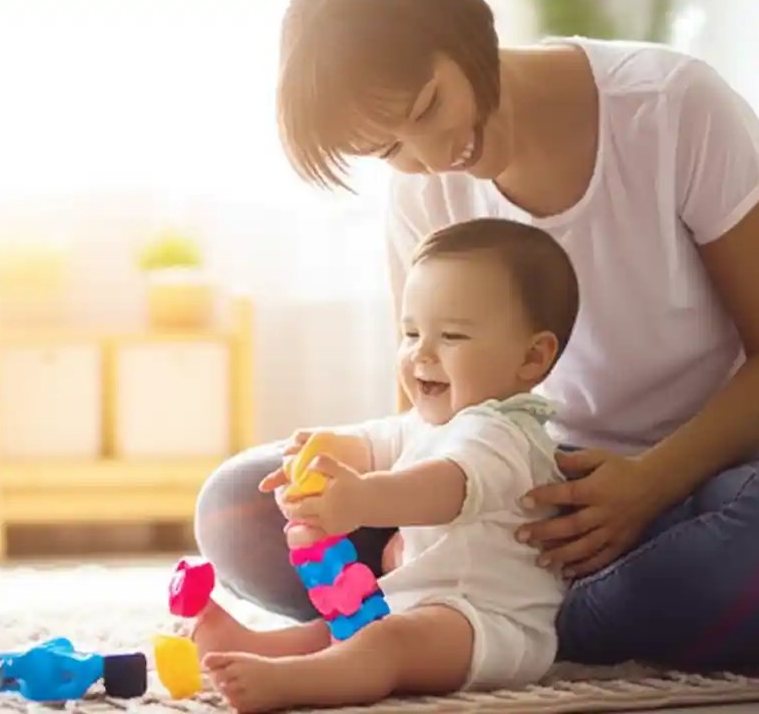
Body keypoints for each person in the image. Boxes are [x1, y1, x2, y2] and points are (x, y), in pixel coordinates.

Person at [195, 0, 759, 671]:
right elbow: (433, 403)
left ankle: (500, 630)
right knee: (238, 508)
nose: (432, 156)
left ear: (464, 27)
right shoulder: (421, 193)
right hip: (518, 505)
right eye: (388, 148)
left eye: (428, 107)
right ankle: (528, 621)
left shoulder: (673, 107)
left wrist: (646, 484)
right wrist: (401, 515)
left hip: (706, 487)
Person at [194, 218, 579, 712]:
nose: (422, 352)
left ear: (531, 358)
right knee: (347, 627)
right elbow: (377, 439)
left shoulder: (504, 434)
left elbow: (447, 486)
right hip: (425, 604)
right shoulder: (434, 420)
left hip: (490, 623)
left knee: (386, 643)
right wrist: (319, 452)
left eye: (452, 336)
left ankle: (295, 684)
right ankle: (266, 649)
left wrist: (362, 499)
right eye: (411, 331)